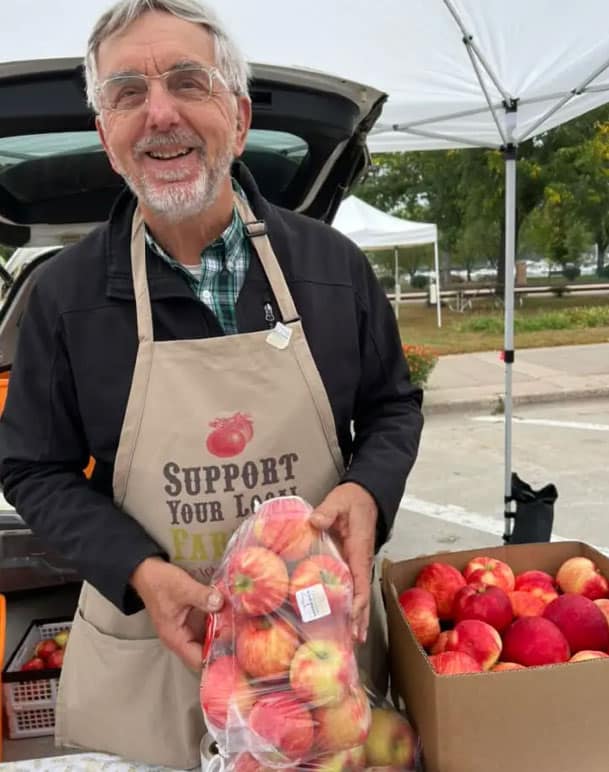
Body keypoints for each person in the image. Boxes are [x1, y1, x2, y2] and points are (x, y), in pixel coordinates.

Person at [0, 0, 423, 767]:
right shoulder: (65, 299)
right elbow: (33, 466)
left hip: (316, 654)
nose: (159, 114)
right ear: (105, 134)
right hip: (165, 654)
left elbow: (392, 405)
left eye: (187, 83)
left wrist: (367, 492)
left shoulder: (332, 270)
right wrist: (140, 571)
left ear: (237, 111)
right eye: (126, 93)